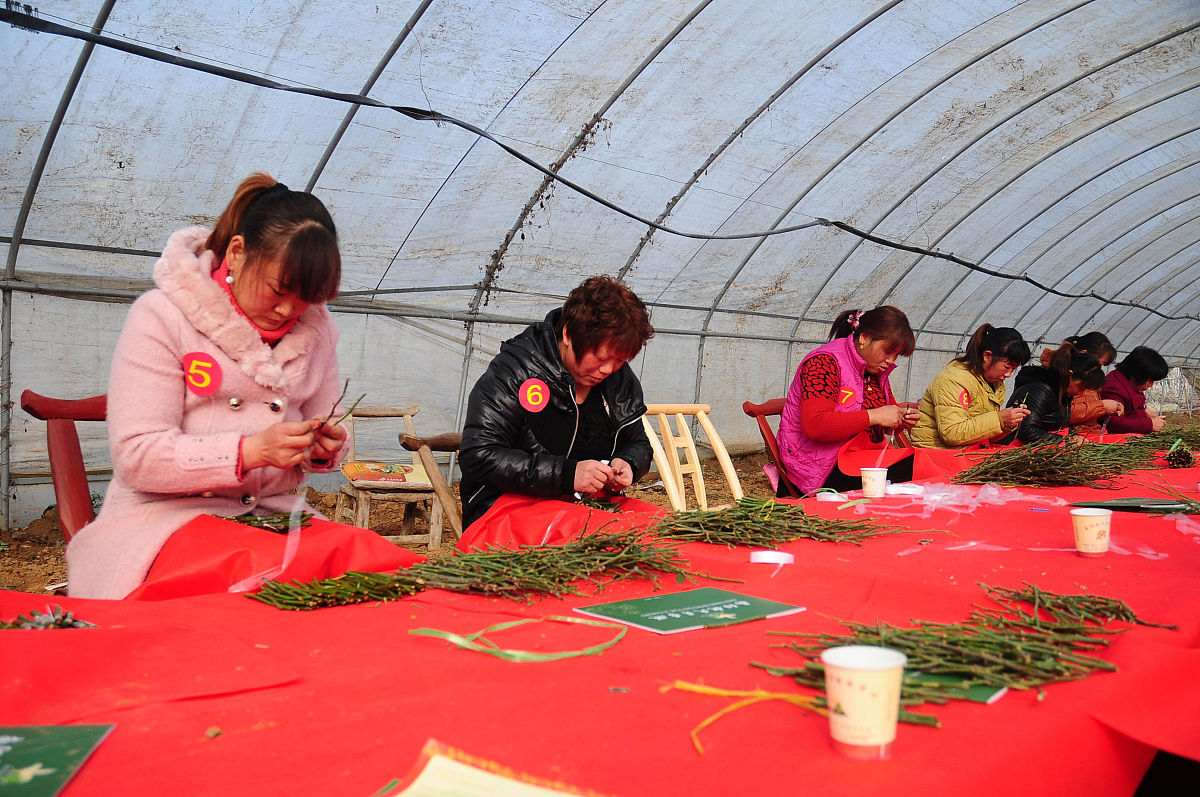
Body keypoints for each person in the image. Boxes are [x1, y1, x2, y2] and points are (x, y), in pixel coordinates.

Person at [65, 173, 403, 599]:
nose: (287, 311)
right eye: (279, 290)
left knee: (377, 565)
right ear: (238, 253)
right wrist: (251, 451)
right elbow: (137, 456)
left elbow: (328, 419)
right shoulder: (162, 317)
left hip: (272, 517)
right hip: (165, 521)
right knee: (265, 581)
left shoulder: (317, 330)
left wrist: (327, 445)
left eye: (306, 300)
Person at [458, 276, 655, 528]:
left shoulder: (619, 379)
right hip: (508, 508)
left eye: (619, 360)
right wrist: (567, 475)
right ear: (568, 334)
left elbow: (638, 443)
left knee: (655, 537)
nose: (608, 369)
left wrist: (628, 463)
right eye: (599, 356)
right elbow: (479, 455)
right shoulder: (517, 371)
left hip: (587, 509)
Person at [776, 306, 919, 495]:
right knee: (917, 470)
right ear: (864, 338)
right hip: (820, 467)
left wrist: (899, 420)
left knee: (922, 463)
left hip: (859, 457)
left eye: (896, 355)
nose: (891, 360)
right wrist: (874, 416)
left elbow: (882, 420)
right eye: (887, 351)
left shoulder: (875, 370)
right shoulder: (824, 363)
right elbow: (816, 426)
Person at [910, 324, 1032, 448]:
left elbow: (980, 432)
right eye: (1007, 367)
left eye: (1014, 369)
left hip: (966, 451)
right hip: (935, 453)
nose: (1009, 374)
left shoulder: (996, 385)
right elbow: (952, 433)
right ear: (987, 356)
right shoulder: (954, 379)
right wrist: (999, 419)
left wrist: (1008, 423)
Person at [1000, 344, 1105, 443]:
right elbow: (1026, 430)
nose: (1081, 392)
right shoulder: (1040, 390)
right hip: (1013, 449)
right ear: (1069, 375)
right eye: (1081, 387)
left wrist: (1074, 436)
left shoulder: (1063, 393)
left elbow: (1057, 426)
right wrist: (1066, 441)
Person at [1037, 331, 1122, 430]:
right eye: (1099, 364)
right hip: (1071, 437)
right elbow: (1062, 414)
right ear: (1084, 354)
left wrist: (1110, 408)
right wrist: (1102, 407)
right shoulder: (1057, 375)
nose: (1097, 369)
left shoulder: (1086, 375)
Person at [1101, 346, 1169, 433]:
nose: (1151, 385)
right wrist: (1149, 424)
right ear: (1137, 373)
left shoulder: (1133, 384)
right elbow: (1113, 423)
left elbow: (1136, 406)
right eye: (1149, 379)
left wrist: (1145, 411)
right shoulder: (1113, 387)